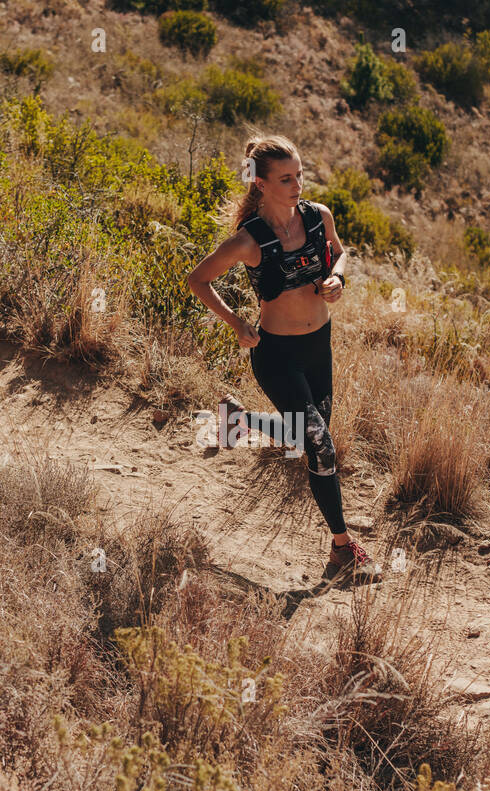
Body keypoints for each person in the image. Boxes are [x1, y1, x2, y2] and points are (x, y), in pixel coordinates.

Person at [186, 134, 380, 583]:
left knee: (307, 439)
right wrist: (236, 323)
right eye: (286, 178)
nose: (297, 185)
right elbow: (198, 280)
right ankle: (342, 551)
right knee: (321, 446)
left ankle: (236, 422)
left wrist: (337, 278)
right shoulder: (249, 241)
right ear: (260, 183)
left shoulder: (317, 217)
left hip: (319, 347)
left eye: (299, 175)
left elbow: (342, 252)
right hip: (277, 355)